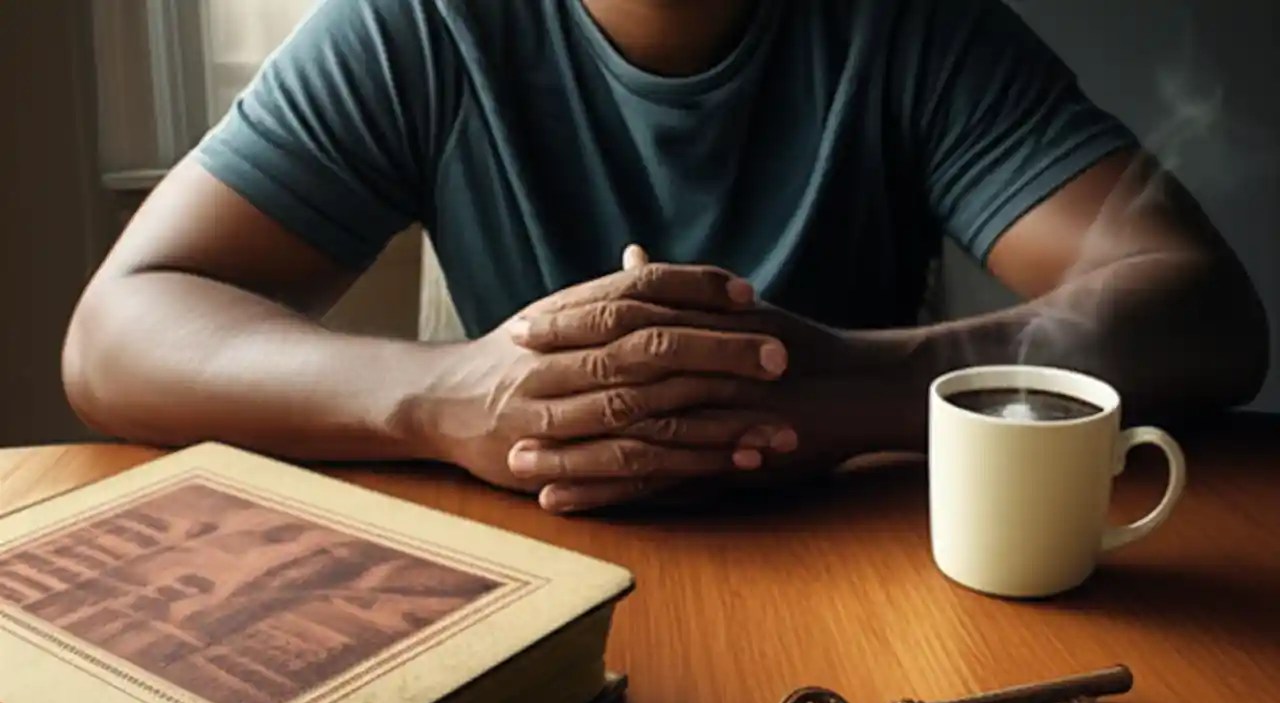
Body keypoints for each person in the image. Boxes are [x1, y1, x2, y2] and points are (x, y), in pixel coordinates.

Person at [63, 0, 1269, 514]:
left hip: (867, 562)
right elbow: (121, 327)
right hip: (531, 552)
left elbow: (1202, 310)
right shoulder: (416, 26)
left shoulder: (909, 25)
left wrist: (846, 389)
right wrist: (447, 397)